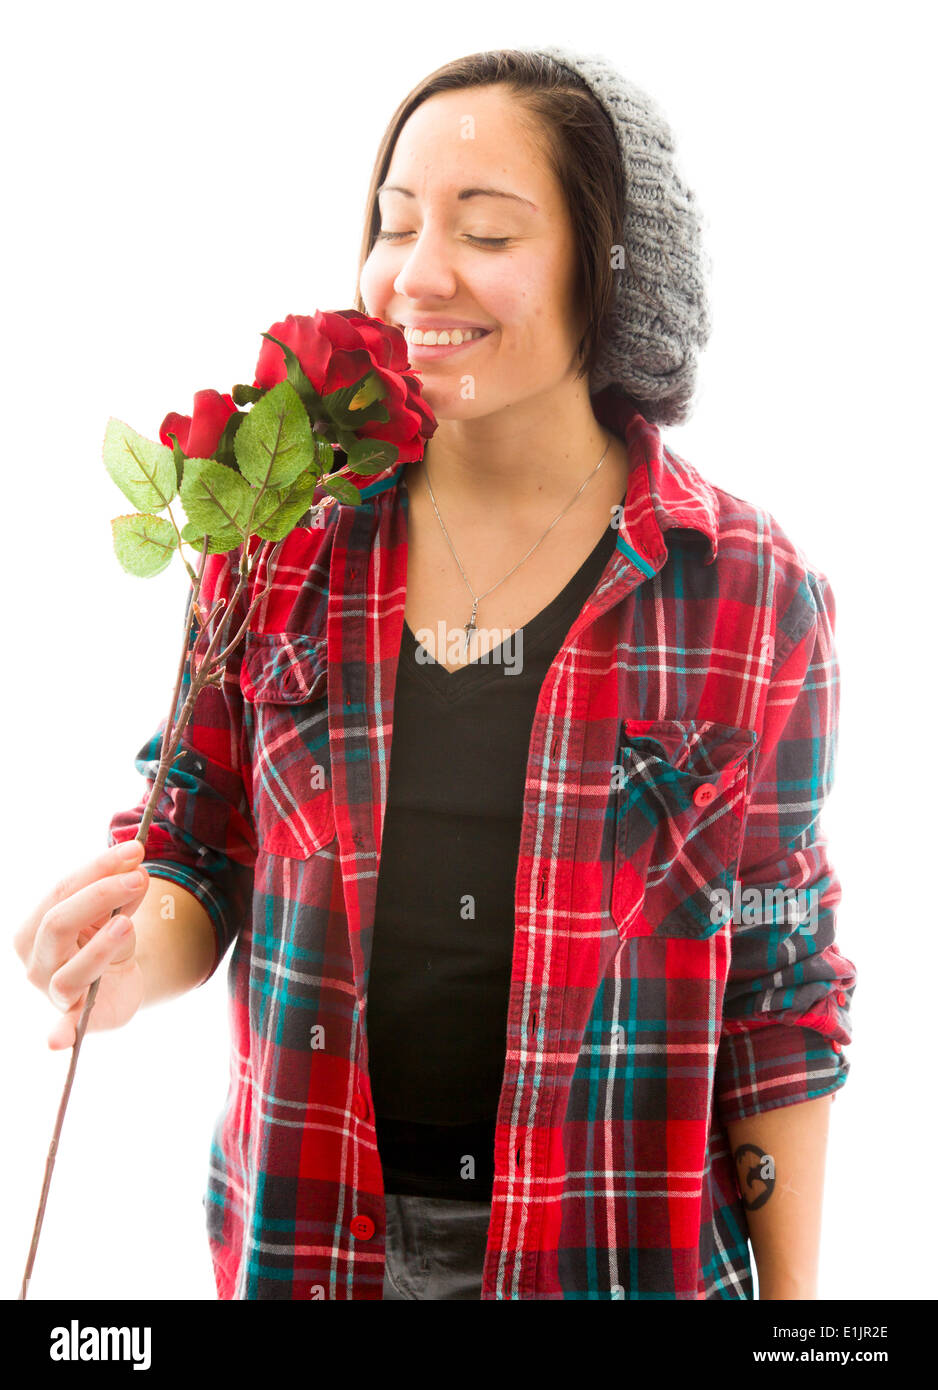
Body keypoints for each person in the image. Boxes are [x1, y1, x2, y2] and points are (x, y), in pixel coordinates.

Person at [14, 46, 856, 1300]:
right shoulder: (278, 534)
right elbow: (198, 843)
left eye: (485, 229)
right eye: (394, 223)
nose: (415, 274)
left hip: (614, 1262)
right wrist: (141, 946)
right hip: (310, 1248)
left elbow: (777, 981)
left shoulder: (744, 587)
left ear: (612, 270)